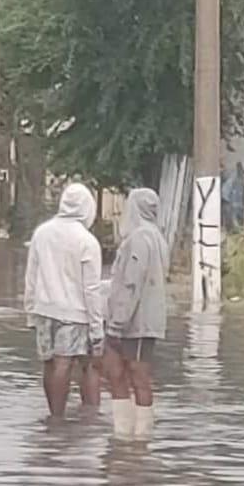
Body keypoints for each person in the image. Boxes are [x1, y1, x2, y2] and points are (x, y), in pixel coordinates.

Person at [24, 182, 104, 418]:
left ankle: (53, 416)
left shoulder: (42, 233)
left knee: (49, 363)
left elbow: (31, 274)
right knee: (65, 364)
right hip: (74, 313)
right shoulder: (87, 241)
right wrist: (97, 327)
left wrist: (30, 310)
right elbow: (92, 288)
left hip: (44, 308)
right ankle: (60, 420)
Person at [105, 188, 169, 440]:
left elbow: (131, 282)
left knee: (138, 374)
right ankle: (124, 435)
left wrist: (116, 323)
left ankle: (140, 436)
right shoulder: (156, 238)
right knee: (118, 372)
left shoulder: (140, 239)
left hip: (137, 321)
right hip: (139, 319)